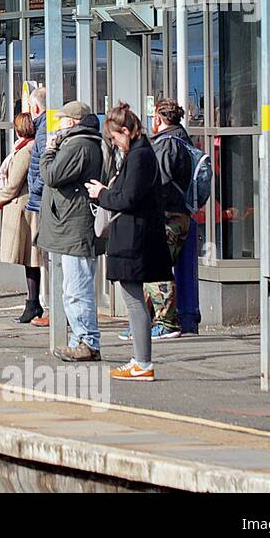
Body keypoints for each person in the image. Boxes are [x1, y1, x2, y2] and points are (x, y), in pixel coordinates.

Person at [87, 103, 172, 382]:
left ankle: (143, 362)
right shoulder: (140, 154)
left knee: (135, 302)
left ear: (126, 131)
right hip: (134, 236)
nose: (114, 143)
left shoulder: (139, 157)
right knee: (133, 300)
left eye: (114, 138)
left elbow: (128, 198)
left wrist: (102, 194)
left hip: (135, 238)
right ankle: (139, 360)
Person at [38, 100, 105, 362]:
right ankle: (80, 339)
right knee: (73, 286)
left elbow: (52, 175)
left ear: (72, 122)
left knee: (77, 288)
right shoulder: (84, 142)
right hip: (71, 223)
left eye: (62, 120)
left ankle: (87, 341)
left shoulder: (78, 145)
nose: (57, 126)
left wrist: (48, 151)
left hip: (75, 225)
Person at [133, 97, 195, 342]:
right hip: (176, 214)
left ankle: (167, 322)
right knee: (152, 265)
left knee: (155, 266)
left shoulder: (168, 144)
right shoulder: (180, 138)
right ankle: (146, 322)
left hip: (168, 215)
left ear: (158, 118)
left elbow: (157, 179)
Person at [0, 111, 41, 323]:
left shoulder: (26, 151)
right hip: (22, 206)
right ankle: (33, 303)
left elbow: (13, 184)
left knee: (30, 258)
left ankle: (33, 303)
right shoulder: (23, 148)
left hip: (23, 208)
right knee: (28, 259)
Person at [24, 87, 49, 326]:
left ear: (36, 108)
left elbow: (45, 167)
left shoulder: (43, 131)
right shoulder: (43, 128)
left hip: (42, 202)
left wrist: (37, 190)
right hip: (40, 200)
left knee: (46, 258)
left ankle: (50, 309)